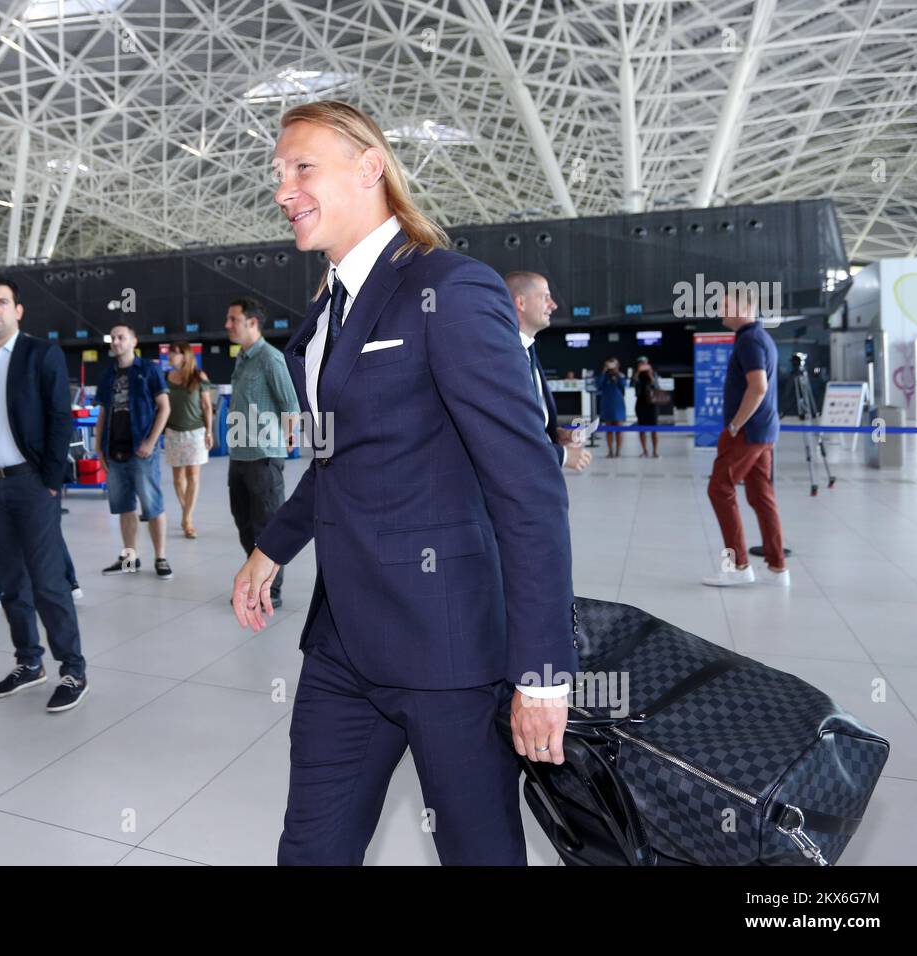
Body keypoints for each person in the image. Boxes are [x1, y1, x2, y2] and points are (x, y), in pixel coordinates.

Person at [231, 100, 577, 865]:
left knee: (478, 851)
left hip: (450, 654)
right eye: (278, 174)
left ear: (369, 168)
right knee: (310, 851)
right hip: (342, 648)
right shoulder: (323, 315)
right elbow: (339, 459)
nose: (284, 190)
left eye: (302, 168)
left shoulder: (450, 289)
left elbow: (529, 487)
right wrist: (272, 547)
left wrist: (543, 673)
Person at [0, 276, 88, 712]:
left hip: (32, 484)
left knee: (48, 581)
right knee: (11, 582)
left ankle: (72, 669)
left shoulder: (41, 354)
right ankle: (28, 663)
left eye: (2, 302)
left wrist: (51, 480)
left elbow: (60, 417)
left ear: (18, 310)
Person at [702, 287, 789, 588]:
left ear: (744, 306)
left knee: (719, 489)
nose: (720, 310)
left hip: (749, 431)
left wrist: (736, 426)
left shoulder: (750, 340)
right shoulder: (759, 337)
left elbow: (758, 387)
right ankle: (778, 566)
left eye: (725, 304)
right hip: (763, 430)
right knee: (761, 496)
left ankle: (738, 565)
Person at [225, 298, 301, 608]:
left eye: (233, 319)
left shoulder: (271, 358)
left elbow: (292, 407)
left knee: (268, 525)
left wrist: (280, 443)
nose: (228, 325)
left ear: (252, 322)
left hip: (264, 457)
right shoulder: (242, 359)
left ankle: (271, 589)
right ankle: (254, 579)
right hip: (238, 456)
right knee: (244, 523)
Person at [95, 324, 173, 580]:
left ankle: (160, 557)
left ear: (133, 341)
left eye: (121, 337)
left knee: (152, 505)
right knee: (124, 506)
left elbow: (164, 407)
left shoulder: (149, 371)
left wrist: (151, 441)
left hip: (141, 452)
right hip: (114, 452)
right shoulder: (108, 375)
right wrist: (98, 446)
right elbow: (104, 412)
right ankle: (130, 557)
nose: (116, 341)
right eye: (113, 337)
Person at [505, 271, 591, 473]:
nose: (553, 305)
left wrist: (555, 435)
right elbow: (505, 435)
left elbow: (528, 422)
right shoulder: (503, 359)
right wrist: (564, 455)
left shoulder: (528, 351)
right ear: (521, 303)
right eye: (545, 297)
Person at [163, 341, 213, 538]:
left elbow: (207, 406)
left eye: (174, 354)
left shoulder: (199, 377)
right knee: (177, 479)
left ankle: (187, 519)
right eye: (170, 354)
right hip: (173, 432)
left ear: (184, 355)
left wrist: (209, 432)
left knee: (193, 476)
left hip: (195, 432)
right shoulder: (166, 377)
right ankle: (186, 513)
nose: (170, 357)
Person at [595, 357, 627, 457]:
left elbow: (624, 386)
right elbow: (598, 385)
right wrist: (604, 371)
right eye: (610, 365)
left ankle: (618, 451)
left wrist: (617, 374)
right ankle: (610, 451)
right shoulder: (605, 376)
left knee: (618, 429)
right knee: (608, 430)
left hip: (618, 405)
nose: (612, 367)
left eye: (614, 365)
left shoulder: (620, 376)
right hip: (607, 405)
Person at [633, 356, 660, 457]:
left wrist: (650, 375)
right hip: (641, 404)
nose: (642, 365)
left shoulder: (653, 373)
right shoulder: (637, 375)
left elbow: (657, 387)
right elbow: (632, 384)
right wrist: (637, 373)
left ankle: (655, 451)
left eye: (644, 363)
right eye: (640, 363)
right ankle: (645, 450)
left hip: (652, 404)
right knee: (642, 429)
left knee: (654, 429)